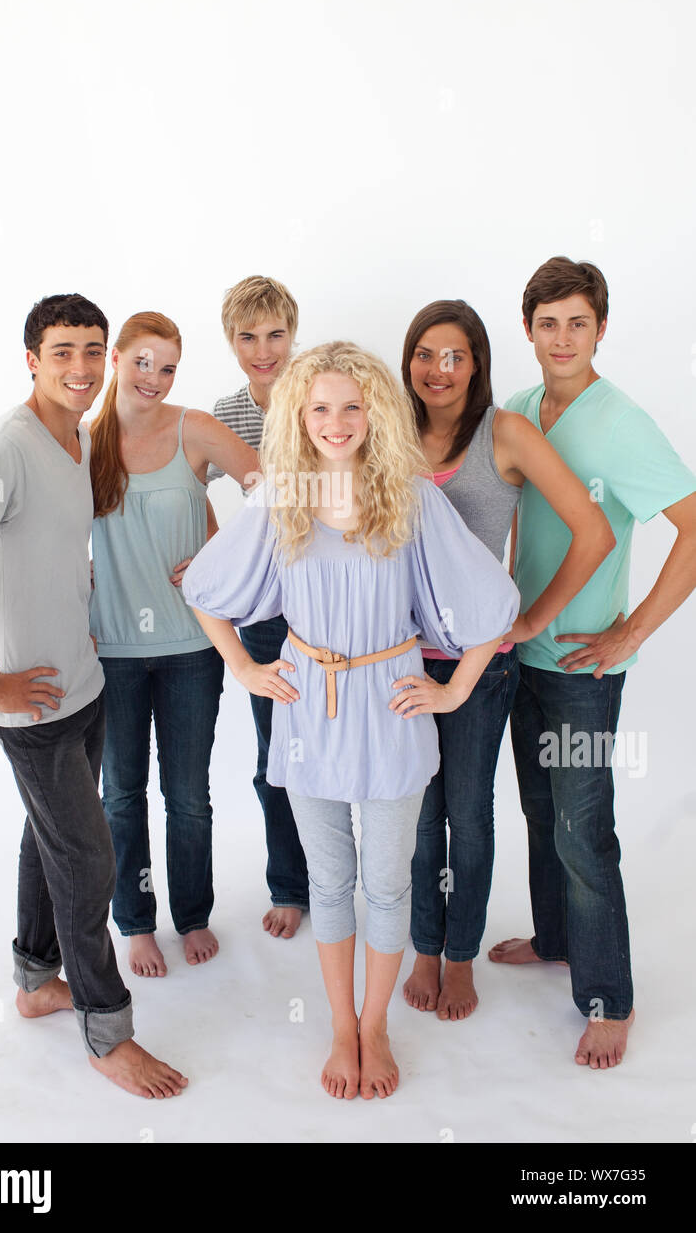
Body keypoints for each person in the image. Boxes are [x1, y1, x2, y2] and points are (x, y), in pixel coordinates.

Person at [183, 341, 520, 1099]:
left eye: (352, 406)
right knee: (331, 881)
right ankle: (341, 1027)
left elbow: (491, 602)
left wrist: (456, 691)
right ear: (301, 416)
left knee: (389, 884)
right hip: (308, 708)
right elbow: (207, 589)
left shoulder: (410, 495)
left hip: (392, 702)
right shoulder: (282, 496)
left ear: (375, 413)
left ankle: (377, 1027)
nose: (337, 422)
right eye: (321, 408)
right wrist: (242, 666)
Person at [0, 294, 187, 1099]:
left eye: (92, 350)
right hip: (29, 705)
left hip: (83, 680)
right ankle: (107, 1034)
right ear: (31, 359)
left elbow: (50, 550)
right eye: (62, 350)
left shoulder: (74, 438)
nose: (80, 366)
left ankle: (37, 980)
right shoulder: (5, 445)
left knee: (51, 839)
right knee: (88, 857)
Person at [489, 256, 696, 1069]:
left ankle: (610, 997)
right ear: (530, 331)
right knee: (540, 812)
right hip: (519, 655)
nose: (563, 338)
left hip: (582, 667)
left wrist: (633, 631)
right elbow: (517, 521)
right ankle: (556, 939)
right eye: (548, 324)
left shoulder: (624, 424)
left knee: (582, 829)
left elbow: (693, 525)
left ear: (601, 328)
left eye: (579, 322)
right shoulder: (517, 411)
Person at [399, 300, 614, 1021]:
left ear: (478, 364)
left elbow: (592, 530)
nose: (440, 370)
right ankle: (424, 947)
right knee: (420, 819)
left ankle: (461, 958)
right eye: (426, 355)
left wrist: (529, 620)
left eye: (456, 356)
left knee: (468, 814)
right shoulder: (388, 433)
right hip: (401, 661)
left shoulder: (507, 434)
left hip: (478, 668)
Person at [89, 311, 259, 977]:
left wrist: (223, 557)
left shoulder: (194, 428)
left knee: (187, 794)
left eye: (167, 367)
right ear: (115, 360)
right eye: (142, 362)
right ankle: (135, 924)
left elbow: (273, 493)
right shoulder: (85, 441)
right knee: (121, 794)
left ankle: (191, 916)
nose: (154, 378)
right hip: (112, 652)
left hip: (194, 648)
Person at [206, 276, 310, 940]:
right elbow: (185, 486)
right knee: (277, 754)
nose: (263, 349)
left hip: (335, 602)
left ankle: (360, 883)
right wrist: (215, 563)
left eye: (275, 334)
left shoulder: (321, 395)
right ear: (232, 341)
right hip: (266, 613)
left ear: (292, 334)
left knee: (353, 746)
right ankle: (291, 886)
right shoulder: (225, 412)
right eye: (249, 337)